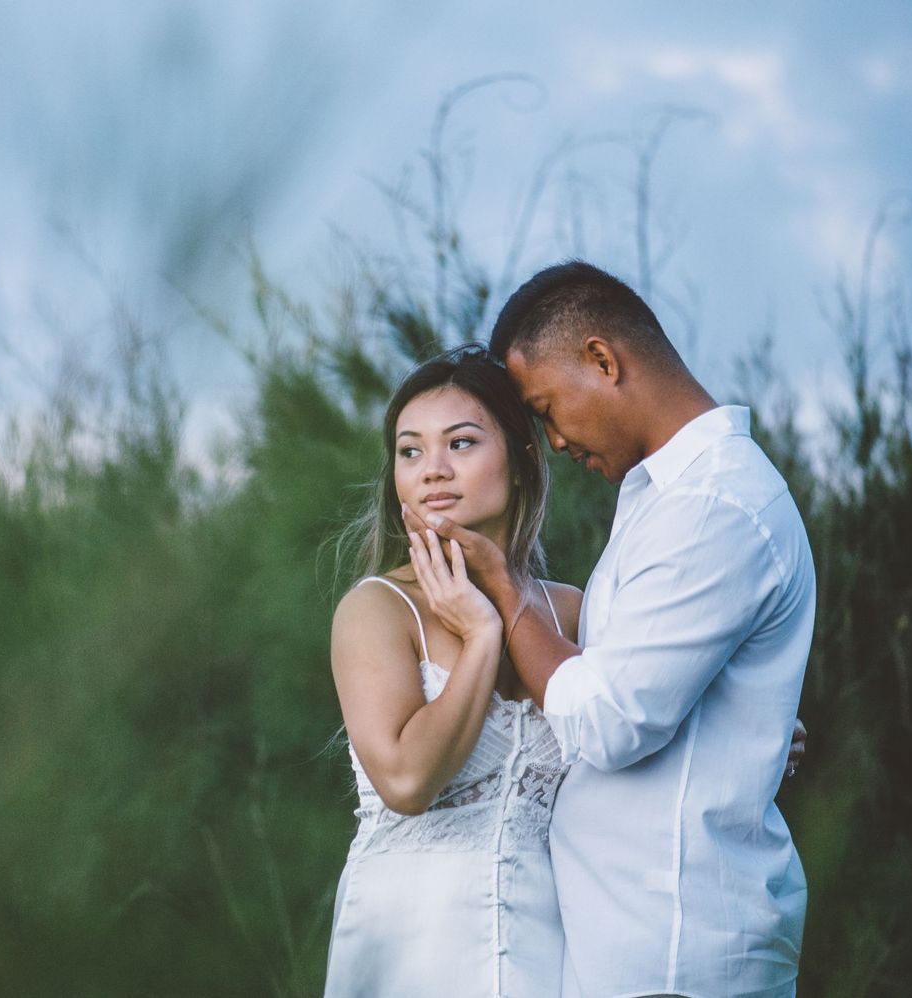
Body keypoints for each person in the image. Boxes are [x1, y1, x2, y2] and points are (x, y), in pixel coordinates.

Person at [408, 261, 814, 996]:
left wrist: (505, 591)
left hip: (676, 947)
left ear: (602, 359)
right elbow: (636, 677)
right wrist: (748, 729)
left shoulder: (714, 505)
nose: (554, 441)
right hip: (629, 940)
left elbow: (607, 720)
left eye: (546, 408)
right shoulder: (664, 497)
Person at [324, 344, 581, 997]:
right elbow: (407, 780)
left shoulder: (575, 613)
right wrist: (483, 636)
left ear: (523, 459)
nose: (433, 470)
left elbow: (643, 715)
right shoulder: (378, 610)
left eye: (460, 443)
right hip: (408, 956)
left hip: (549, 952)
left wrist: (745, 728)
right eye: (410, 452)